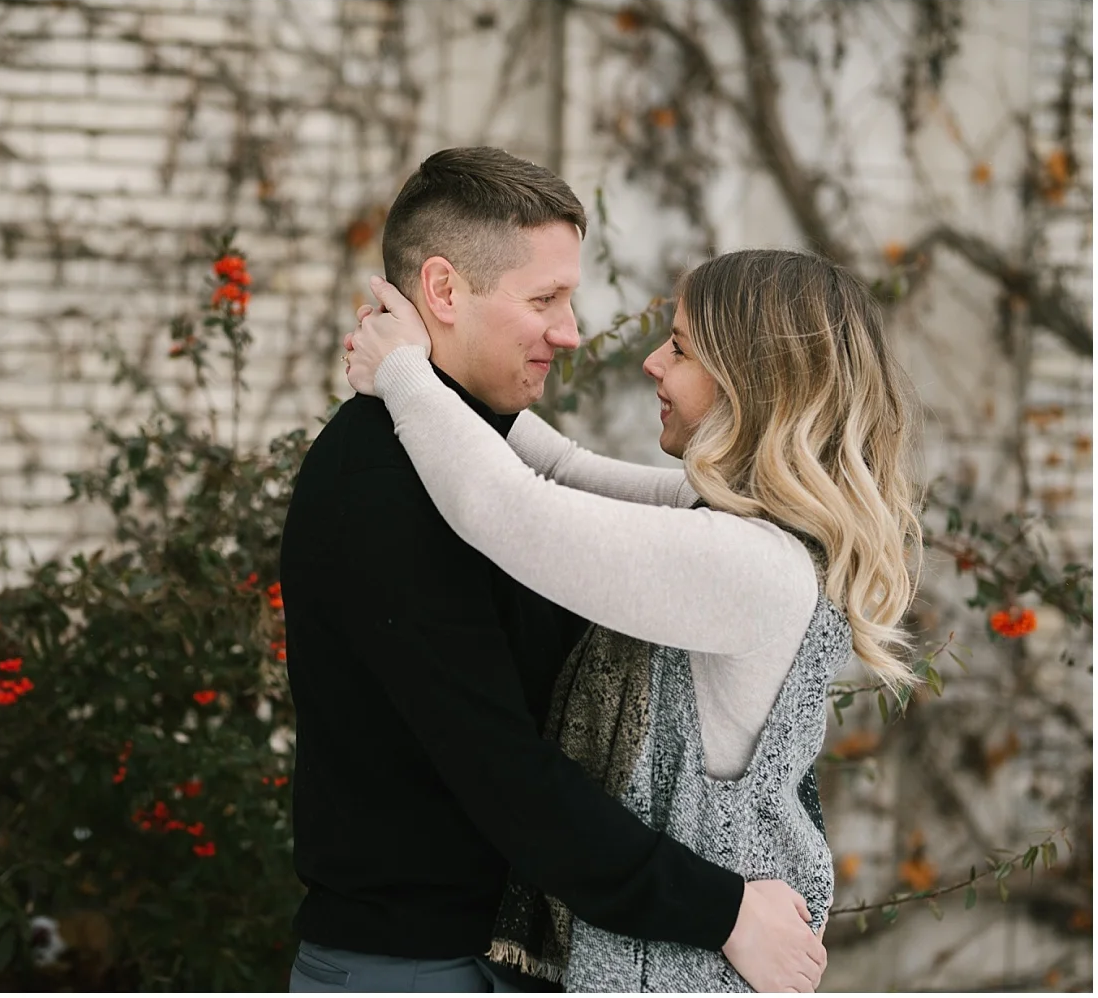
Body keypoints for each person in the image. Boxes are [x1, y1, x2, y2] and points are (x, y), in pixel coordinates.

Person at [280, 146, 828, 994]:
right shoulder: (382, 483)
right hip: (419, 967)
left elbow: (538, 495)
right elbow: (506, 773)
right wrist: (723, 912)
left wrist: (409, 376)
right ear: (443, 290)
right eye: (545, 300)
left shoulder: (465, 461)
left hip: (494, 957)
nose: (571, 332)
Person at [342, 246, 922, 991]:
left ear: (750, 382)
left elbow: (510, 510)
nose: (652, 363)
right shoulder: (747, 530)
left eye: (679, 348)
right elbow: (560, 469)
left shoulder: (749, 566)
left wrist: (404, 374)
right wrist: (441, 370)